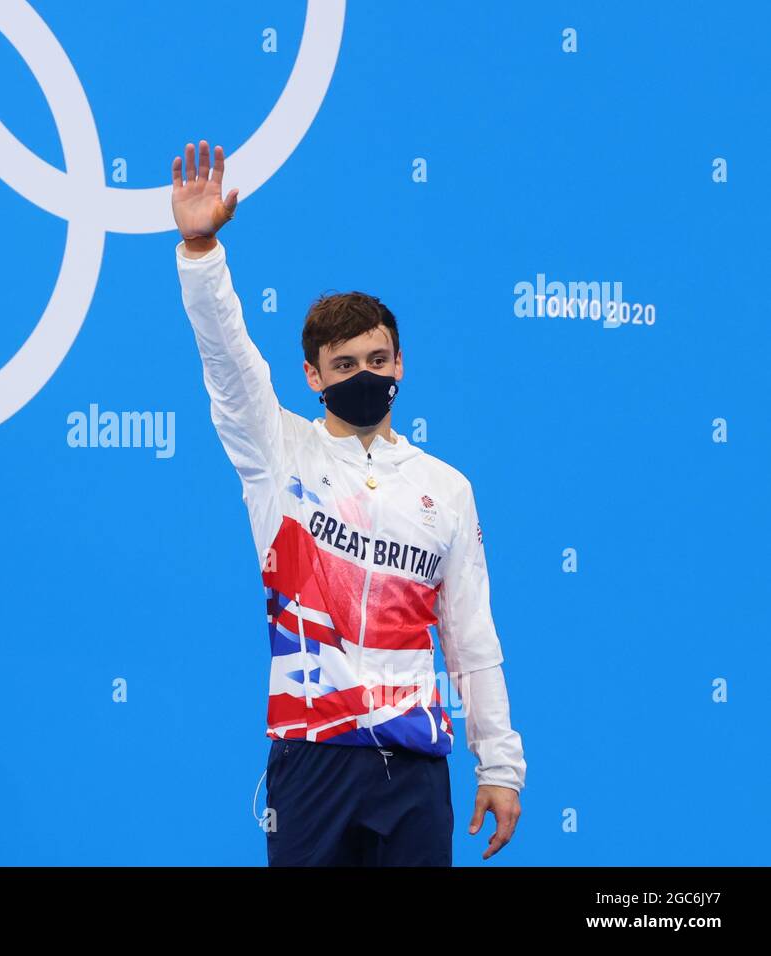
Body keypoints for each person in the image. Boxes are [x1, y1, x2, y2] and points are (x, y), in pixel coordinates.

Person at [170, 140, 525, 866]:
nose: (364, 375)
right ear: (311, 375)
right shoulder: (279, 455)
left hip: (417, 770)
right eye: (343, 365)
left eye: (377, 360)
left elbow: (470, 636)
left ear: (401, 364)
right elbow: (228, 361)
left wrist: (499, 765)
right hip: (311, 762)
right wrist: (201, 250)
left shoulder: (446, 487)